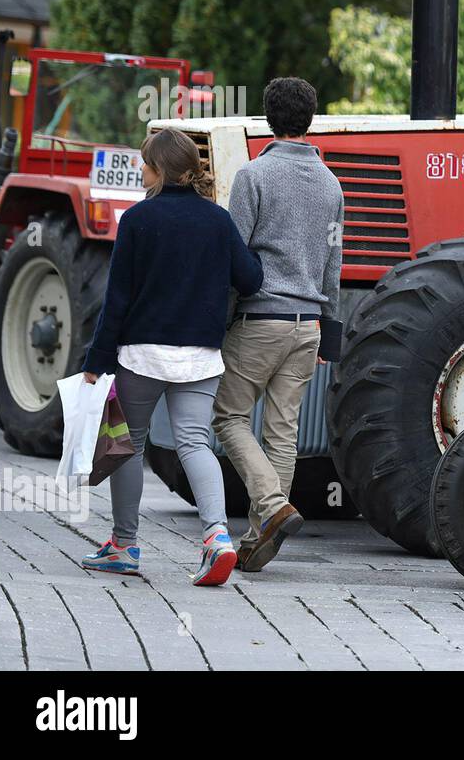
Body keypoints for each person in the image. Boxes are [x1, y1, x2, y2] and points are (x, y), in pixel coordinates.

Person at [81, 128, 263, 586]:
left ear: (159, 170)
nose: (141, 170)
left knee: (127, 445)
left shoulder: (138, 220)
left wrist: (96, 360)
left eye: (145, 164)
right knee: (195, 444)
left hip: (142, 356)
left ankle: (124, 546)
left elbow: (117, 300)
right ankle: (218, 538)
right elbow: (251, 279)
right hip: (200, 356)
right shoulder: (218, 221)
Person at [212, 76, 343, 573]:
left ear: (269, 118)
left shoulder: (253, 177)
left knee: (228, 417)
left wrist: (219, 322)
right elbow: (334, 262)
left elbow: (234, 256)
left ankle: (271, 506)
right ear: (310, 118)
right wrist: (329, 328)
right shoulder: (331, 183)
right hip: (307, 325)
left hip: (259, 319)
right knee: (281, 434)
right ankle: (258, 536)